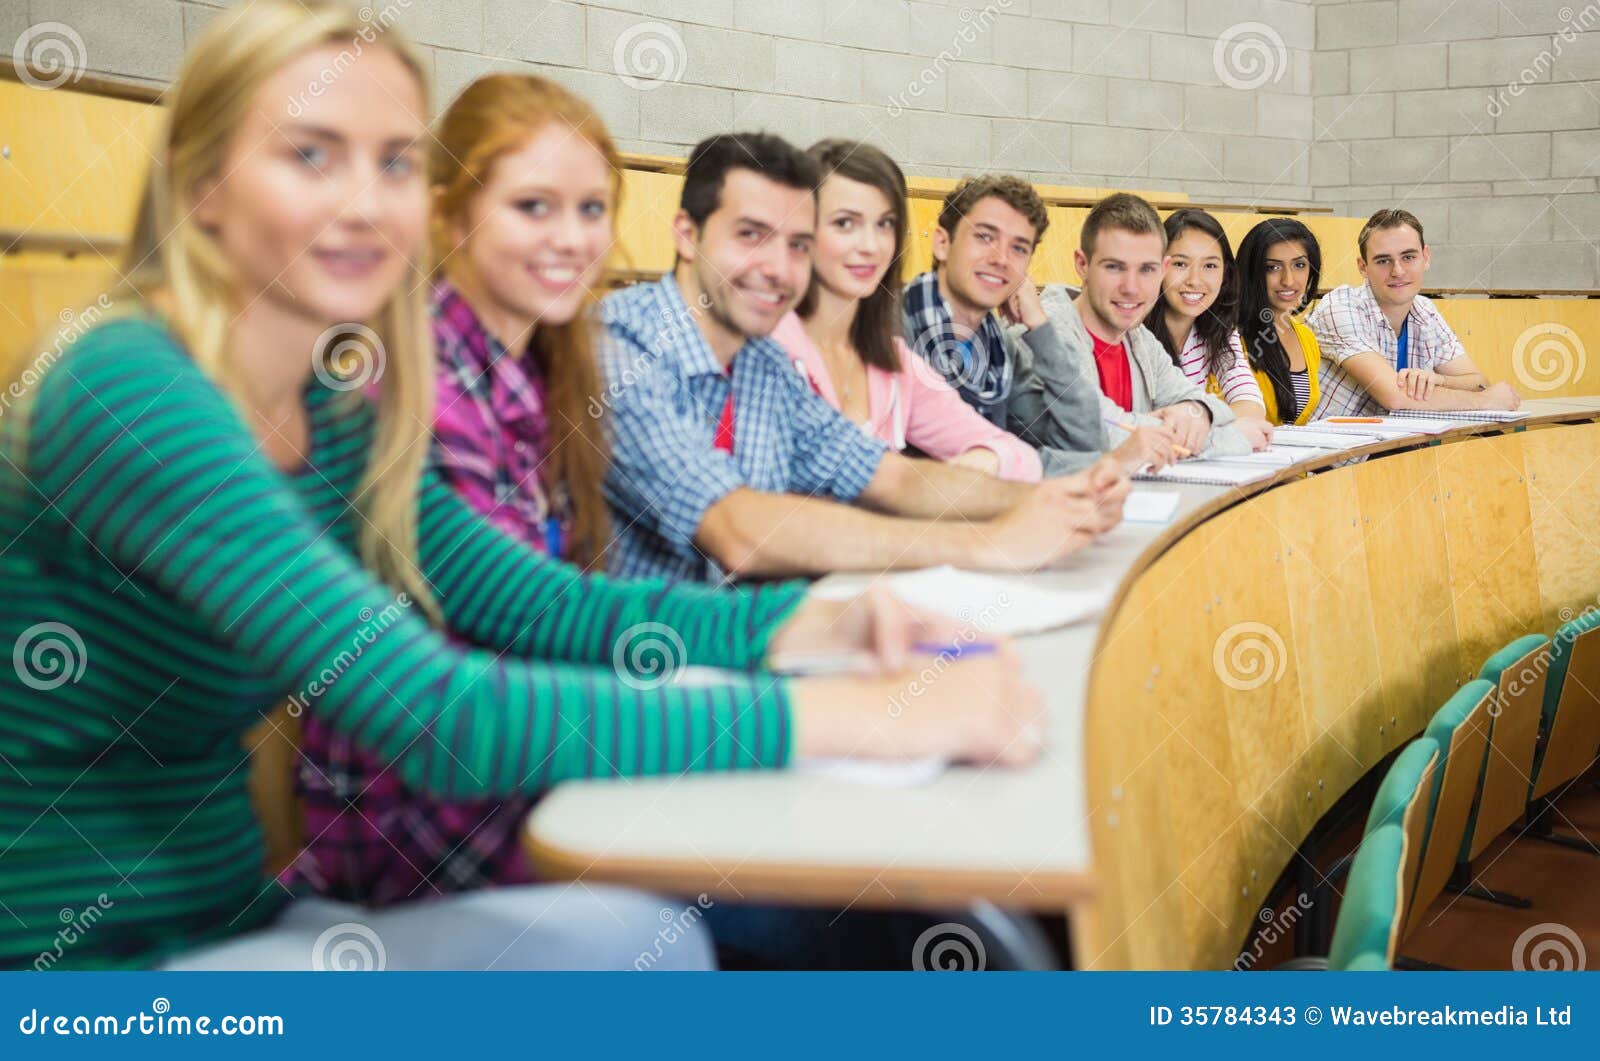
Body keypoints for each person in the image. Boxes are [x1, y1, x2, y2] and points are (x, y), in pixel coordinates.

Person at [0, 0, 1045, 971]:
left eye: (397, 161)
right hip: (93, 963)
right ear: (200, 182)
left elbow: (535, 600)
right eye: (311, 154)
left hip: (238, 914)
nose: (367, 202)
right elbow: (437, 717)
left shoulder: (334, 402)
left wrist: (826, 627)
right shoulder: (124, 384)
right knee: (685, 945)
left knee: (661, 938)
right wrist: (868, 719)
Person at [293, 73, 621, 906]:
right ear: (451, 215)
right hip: (427, 812)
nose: (572, 238)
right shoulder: (419, 380)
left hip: (519, 758)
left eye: (592, 208)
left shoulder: (535, 369)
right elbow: (522, 621)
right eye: (533, 207)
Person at [601, 133, 1128, 585]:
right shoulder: (622, 344)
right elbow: (739, 531)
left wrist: (1054, 500)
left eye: (797, 244)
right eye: (750, 236)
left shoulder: (760, 363)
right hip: (633, 668)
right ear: (688, 235)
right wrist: (987, 543)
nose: (778, 268)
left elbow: (893, 479)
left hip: (751, 635)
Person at [772, 140, 1042, 482]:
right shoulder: (769, 346)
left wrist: (983, 461)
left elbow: (1022, 458)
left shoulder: (893, 361)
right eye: (844, 223)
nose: (870, 246)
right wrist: (920, 485)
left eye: (884, 224)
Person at [903, 175, 1176, 473]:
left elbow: (1084, 441)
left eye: (1019, 248)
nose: (1001, 259)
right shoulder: (893, 327)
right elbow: (942, 473)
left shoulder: (999, 346)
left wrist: (1041, 329)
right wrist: (1111, 463)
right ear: (943, 243)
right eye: (984, 237)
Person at [1036, 194, 1264, 455]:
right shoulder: (1046, 331)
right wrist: (1233, 437)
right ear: (1082, 265)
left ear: (1162, 269)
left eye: (1146, 269)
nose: (1131, 288)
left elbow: (1209, 406)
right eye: (1114, 267)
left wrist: (1198, 412)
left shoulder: (1139, 339)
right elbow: (1098, 434)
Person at [1308, 208, 1521, 417]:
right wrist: (1484, 402)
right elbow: (1395, 397)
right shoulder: (1340, 307)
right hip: (1334, 449)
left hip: (1394, 445)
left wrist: (1441, 380)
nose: (1397, 271)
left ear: (1425, 257)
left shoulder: (1425, 310)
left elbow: (1477, 381)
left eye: (1408, 257)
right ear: (1363, 267)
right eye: (1383, 261)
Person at [1143, 208, 1269, 426]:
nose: (1194, 280)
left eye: (1209, 266)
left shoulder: (1219, 327)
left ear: (1225, 273)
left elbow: (1251, 405)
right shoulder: (1135, 329)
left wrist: (1203, 422)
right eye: (1180, 264)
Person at [1235, 218, 1326, 426]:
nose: (1288, 280)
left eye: (1299, 265)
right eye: (1272, 268)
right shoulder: (1231, 337)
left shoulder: (1306, 338)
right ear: (1252, 273)